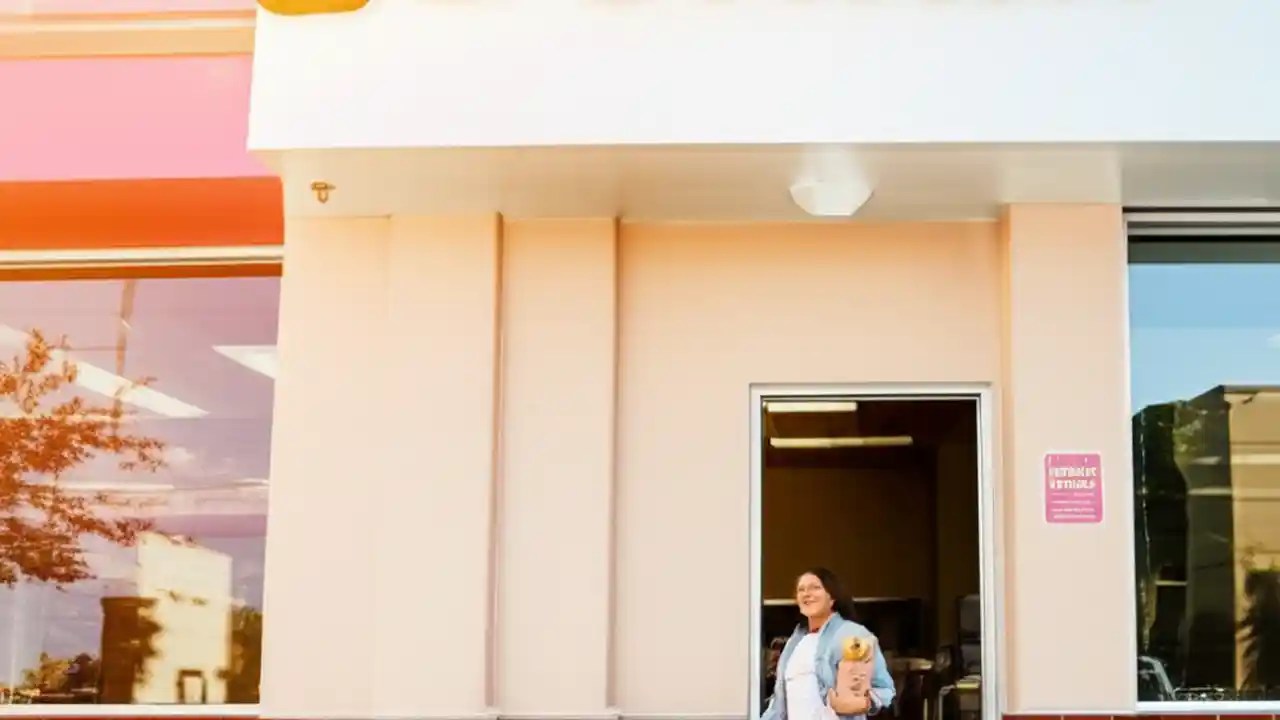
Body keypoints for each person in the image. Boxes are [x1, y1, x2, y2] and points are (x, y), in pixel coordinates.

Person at [761, 568, 895, 720]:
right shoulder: (795, 641)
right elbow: (779, 702)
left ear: (832, 597)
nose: (806, 594)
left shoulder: (853, 634)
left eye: (815, 587)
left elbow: (884, 689)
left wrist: (859, 704)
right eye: (801, 590)